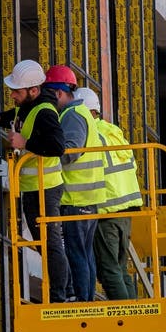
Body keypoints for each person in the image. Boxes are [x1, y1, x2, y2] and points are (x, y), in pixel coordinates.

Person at [0, 59, 71, 303]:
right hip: (32, 188)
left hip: (45, 188)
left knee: (50, 244)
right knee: (44, 244)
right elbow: (18, 116)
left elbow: (57, 146)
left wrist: (25, 144)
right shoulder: (28, 106)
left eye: (16, 92)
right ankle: (62, 291)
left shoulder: (45, 112)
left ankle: (61, 296)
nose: (12, 95)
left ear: (33, 90)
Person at [42, 65, 106, 302]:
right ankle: (86, 299)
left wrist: (42, 148)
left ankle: (83, 301)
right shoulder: (80, 114)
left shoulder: (72, 116)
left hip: (77, 200)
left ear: (58, 93)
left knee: (77, 254)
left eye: (49, 96)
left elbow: (70, 150)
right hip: (88, 200)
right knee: (84, 254)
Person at [77, 87, 143, 300]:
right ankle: (135, 313)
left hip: (107, 209)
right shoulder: (113, 132)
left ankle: (128, 318)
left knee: (108, 269)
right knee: (120, 267)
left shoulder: (89, 133)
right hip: (125, 210)